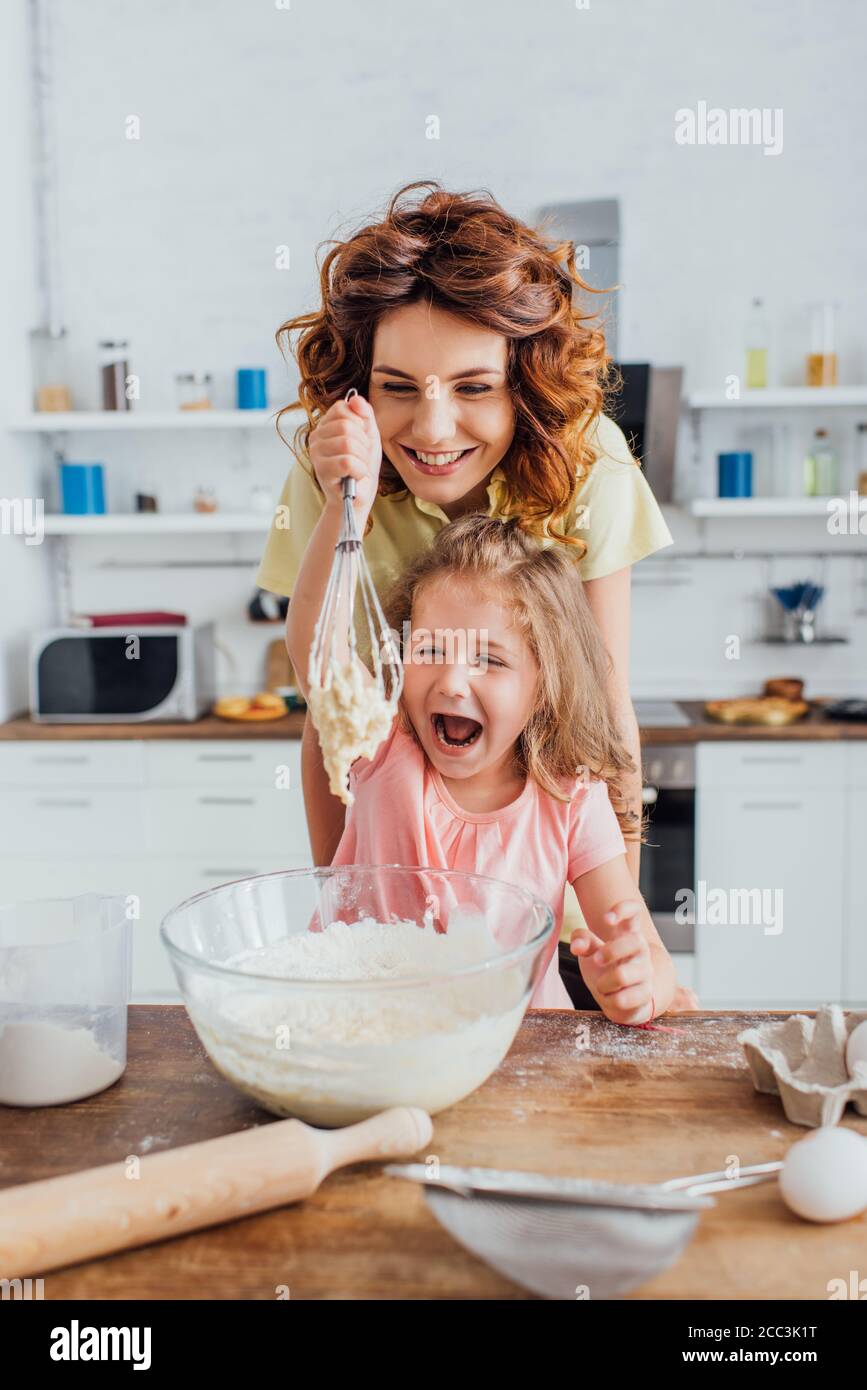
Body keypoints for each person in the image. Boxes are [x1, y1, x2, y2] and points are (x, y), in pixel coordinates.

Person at [257, 180, 697, 1007]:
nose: (430, 430)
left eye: (471, 387)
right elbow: (327, 701)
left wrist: (616, 925)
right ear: (359, 386)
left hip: (530, 877)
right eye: (397, 387)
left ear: (521, 385)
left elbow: (601, 704)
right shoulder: (335, 467)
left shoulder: (587, 461)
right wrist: (343, 895)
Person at [287, 507, 676, 1020]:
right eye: (428, 650)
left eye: (489, 660)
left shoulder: (571, 799)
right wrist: (343, 512)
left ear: (543, 686)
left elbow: (650, 957)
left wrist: (636, 986)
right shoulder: (382, 745)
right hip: (365, 1039)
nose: (450, 681)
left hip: (519, 1058)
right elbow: (314, 641)